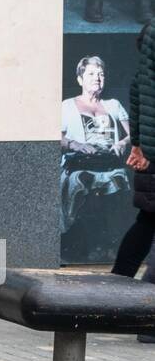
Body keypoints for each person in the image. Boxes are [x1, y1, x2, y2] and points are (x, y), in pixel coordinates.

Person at [110, 23, 155, 342]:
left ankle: (111, 295)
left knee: (146, 223)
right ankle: (148, 318)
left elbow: (139, 97)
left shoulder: (142, 77)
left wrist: (140, 146)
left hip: (149, 154)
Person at [60, 55, 131, 245]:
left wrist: (122, 143)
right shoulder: (67, 106)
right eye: (91, 74)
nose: (97, 78)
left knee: (118, 183)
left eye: (101, 74)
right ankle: (84, 242)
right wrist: (75, 144)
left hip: (109, 165)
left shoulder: (113, 105)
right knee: (81, 182)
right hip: (79, 165)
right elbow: (54, 137)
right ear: (80, 79)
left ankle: (109, 241)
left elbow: (134, 135)